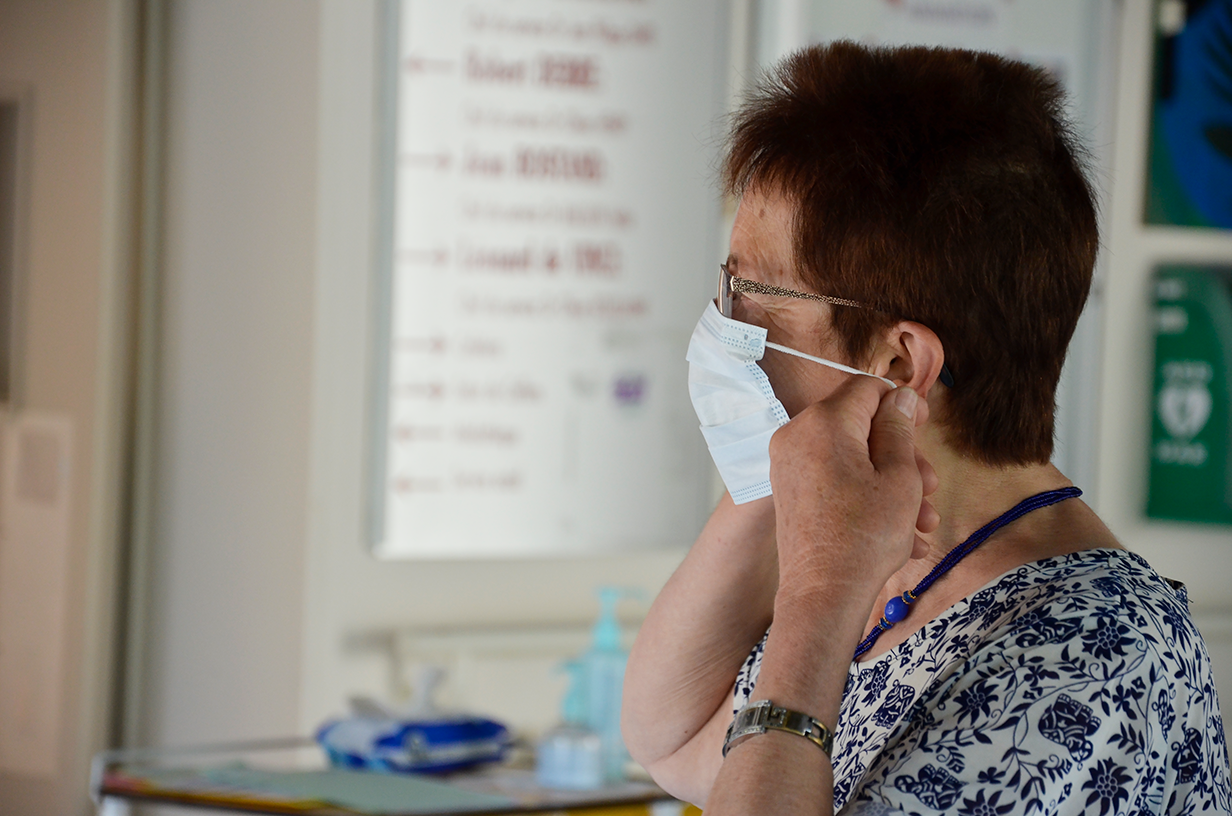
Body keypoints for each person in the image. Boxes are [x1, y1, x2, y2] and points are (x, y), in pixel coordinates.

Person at [622, 42, 1230, 815]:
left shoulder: (1093, 653)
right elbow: (669, 742)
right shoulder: (887, 553)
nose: (722, 321)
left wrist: (817, 599)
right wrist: (768, 464)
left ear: (900, 364)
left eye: (749, 293)